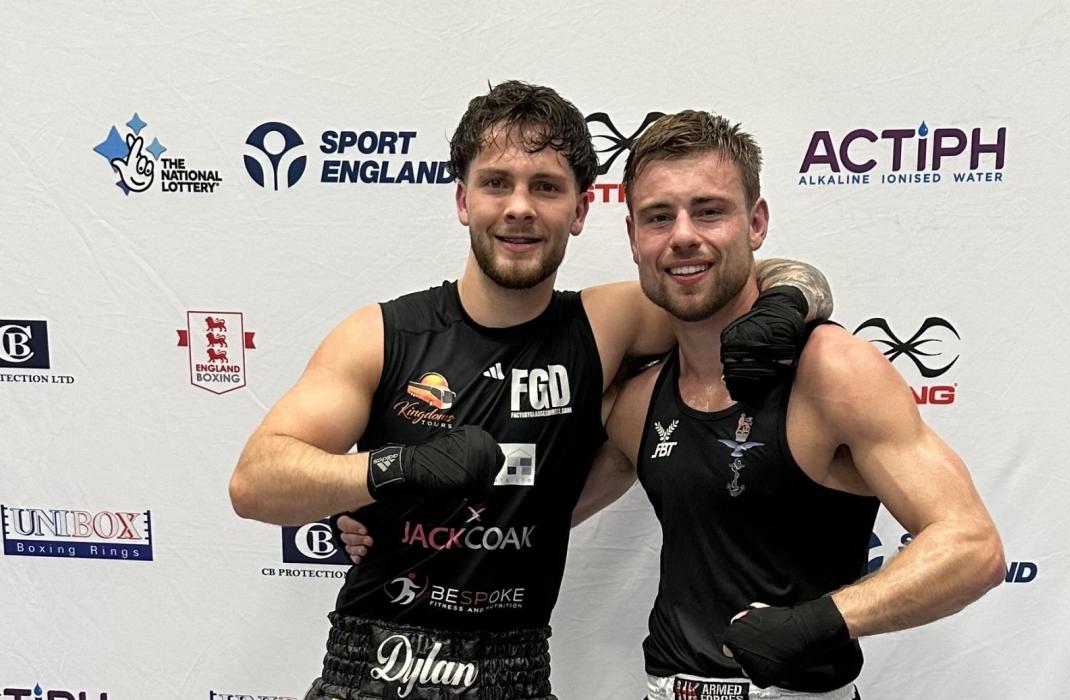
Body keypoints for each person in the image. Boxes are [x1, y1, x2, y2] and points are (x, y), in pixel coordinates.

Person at [228, 82, 833, 700]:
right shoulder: (383, 335)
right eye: (496, 183)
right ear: (464, 200)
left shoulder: (607, 325)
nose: (520, 207)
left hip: (514, 669)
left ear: (578, 210)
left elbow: (731, 276)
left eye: (545, 186)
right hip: (373, 663)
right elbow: (254, 484)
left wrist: (790, 301)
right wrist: (388, 471)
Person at [598, 110, 1005, 700]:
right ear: (634, 237)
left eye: (709, 210)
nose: (684, 234)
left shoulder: (832, 370)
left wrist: (819, 623)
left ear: (756, 223)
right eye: (660, 217)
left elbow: (972, 546)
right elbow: (543, 513)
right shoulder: (637, 400)